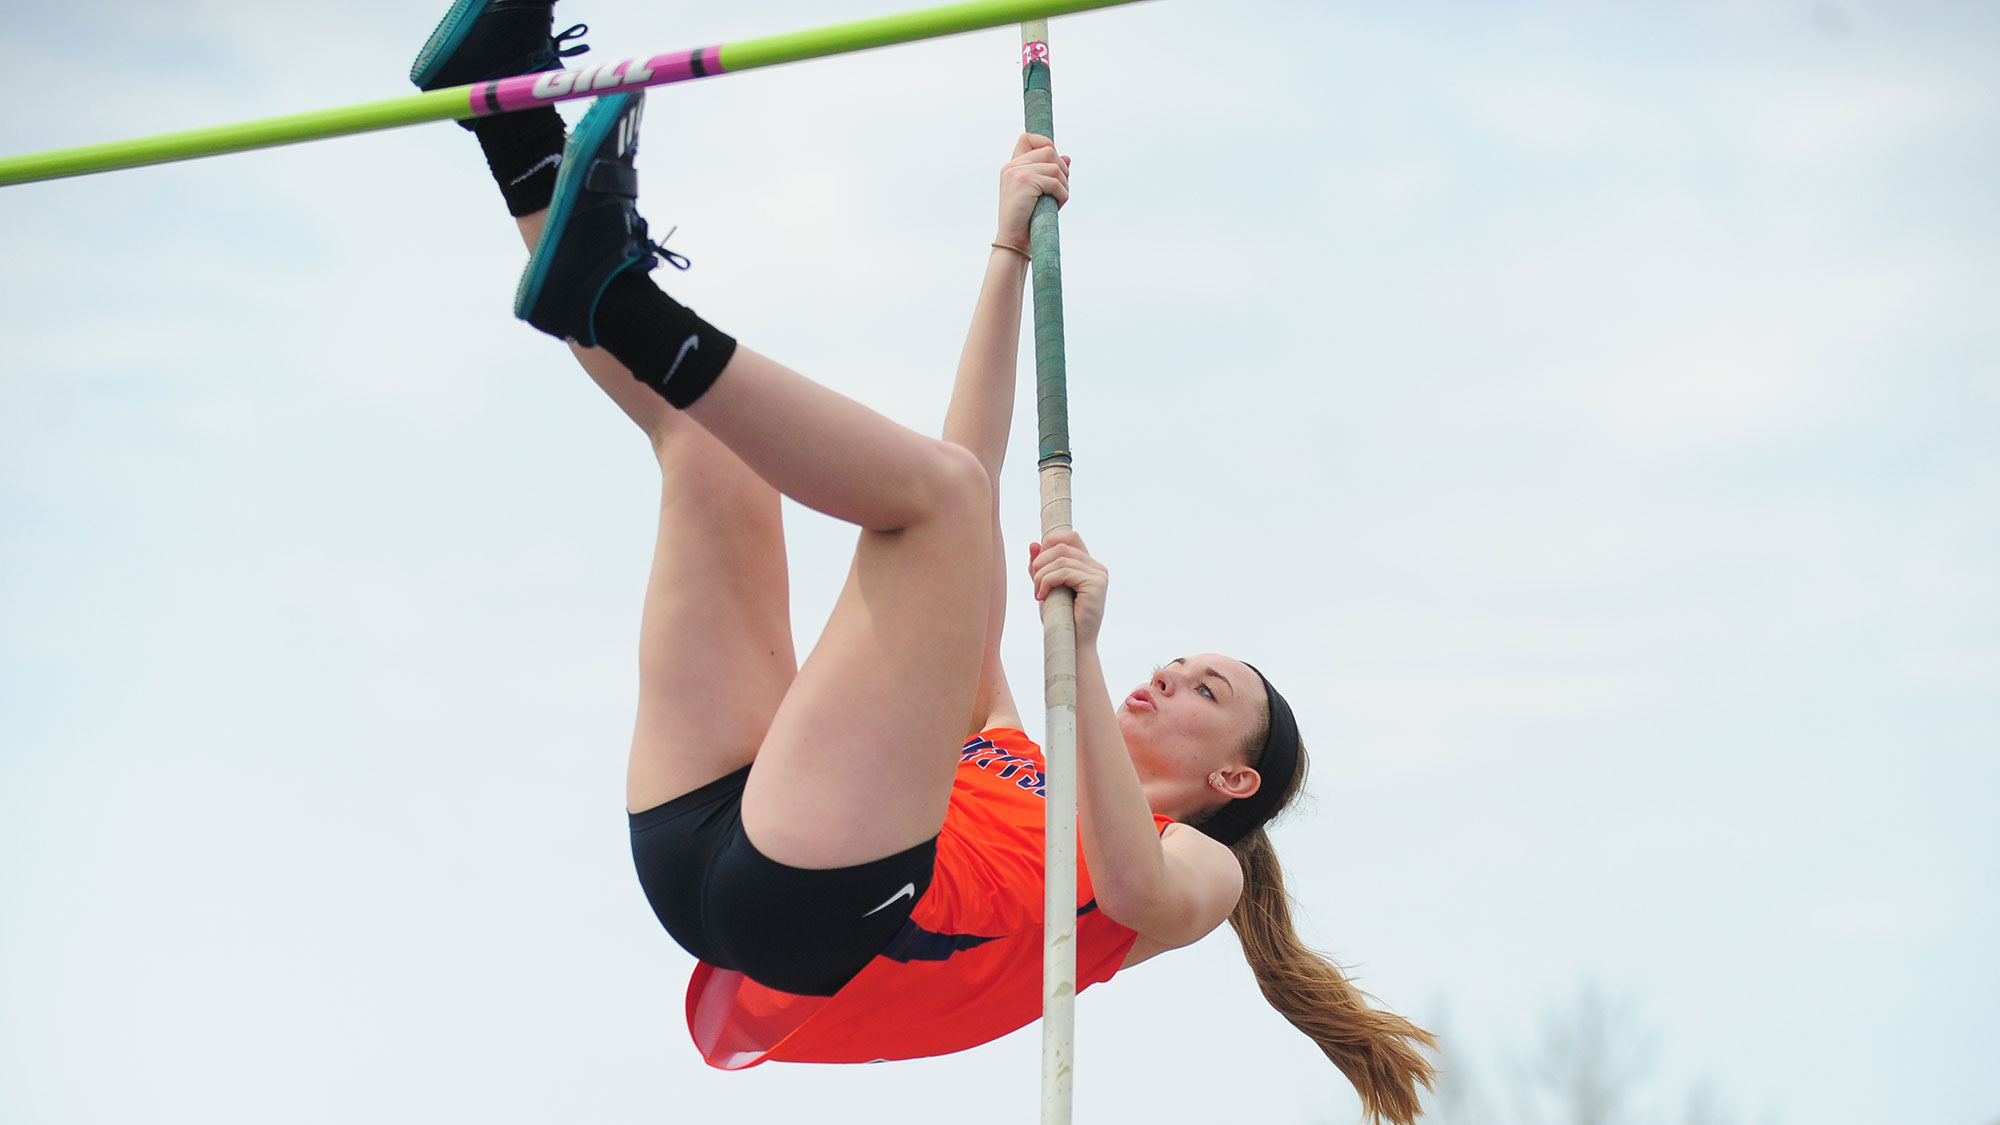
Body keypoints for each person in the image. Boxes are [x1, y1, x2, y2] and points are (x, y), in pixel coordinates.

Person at [414, 2, 1437, 1120]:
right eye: (1182, 660)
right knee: (719, 460)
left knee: (943, 509)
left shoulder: (1200, 864)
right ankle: (509, 118)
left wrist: (1080, 656)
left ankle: (622, 295)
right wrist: (1003, 249)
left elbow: (1133, 889)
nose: (1169, 675)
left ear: (1232, 781)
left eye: (1205, 691)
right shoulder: (995, 747)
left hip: (818, 913)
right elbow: (970, 463)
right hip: (716, 836)